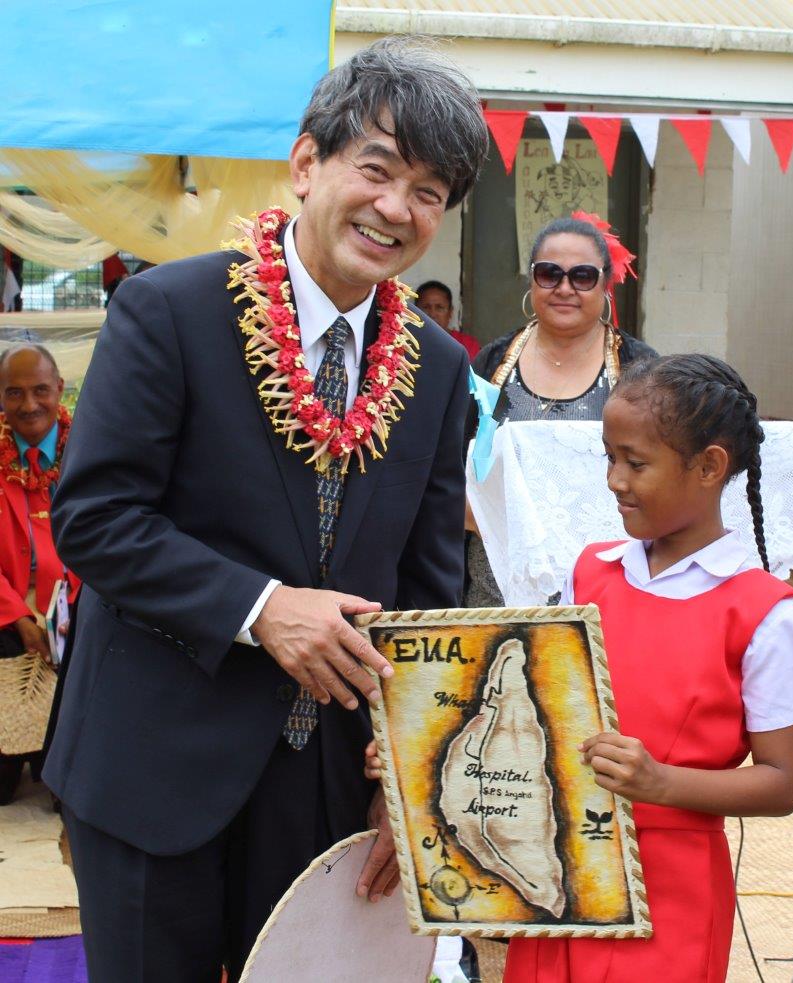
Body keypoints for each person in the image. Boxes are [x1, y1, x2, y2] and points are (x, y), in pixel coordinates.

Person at [44, 37, 488, 982]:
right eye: (377, 169)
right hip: (154, 766)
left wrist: (405, 780)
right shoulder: (169, 311)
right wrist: (260, 607)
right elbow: (94, 516)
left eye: (429, 194)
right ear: (305, 164)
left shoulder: (440, 370)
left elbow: (426, 591)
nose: (395, 209)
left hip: (324, 792)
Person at [460, 354, 793, 980]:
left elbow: (779, 784)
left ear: (710, 467)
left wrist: (661, 782)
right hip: (564, 875)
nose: (614, 479)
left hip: (669, 891)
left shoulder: (763, 613)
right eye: (608, 457)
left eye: (635, 463)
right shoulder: (591, 572)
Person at [465, 213, 655, 606]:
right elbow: (455, 468)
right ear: (532, 280)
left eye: (582, 276)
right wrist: (488, 522)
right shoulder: (492, 364)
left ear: (604, 284)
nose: (565, 288)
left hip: (607, 586)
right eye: (550, 273)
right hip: (499, 585)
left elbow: (659, 472)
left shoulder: (640, 368)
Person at [0, 345, 79, 804]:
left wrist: (63, 617)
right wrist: (21, 618)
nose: (29, 405)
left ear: (59, 391)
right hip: (9, 605)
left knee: (61, 795)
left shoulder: (90, 448)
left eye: (40, 391)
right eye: (14, 393)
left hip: (78, 598)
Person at [415, 279, 479, 359]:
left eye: (439, 308)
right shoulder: (405, 344)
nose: (432, 314)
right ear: (415, 312)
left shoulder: (467, 344)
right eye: (426, 308)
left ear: (450, 312)